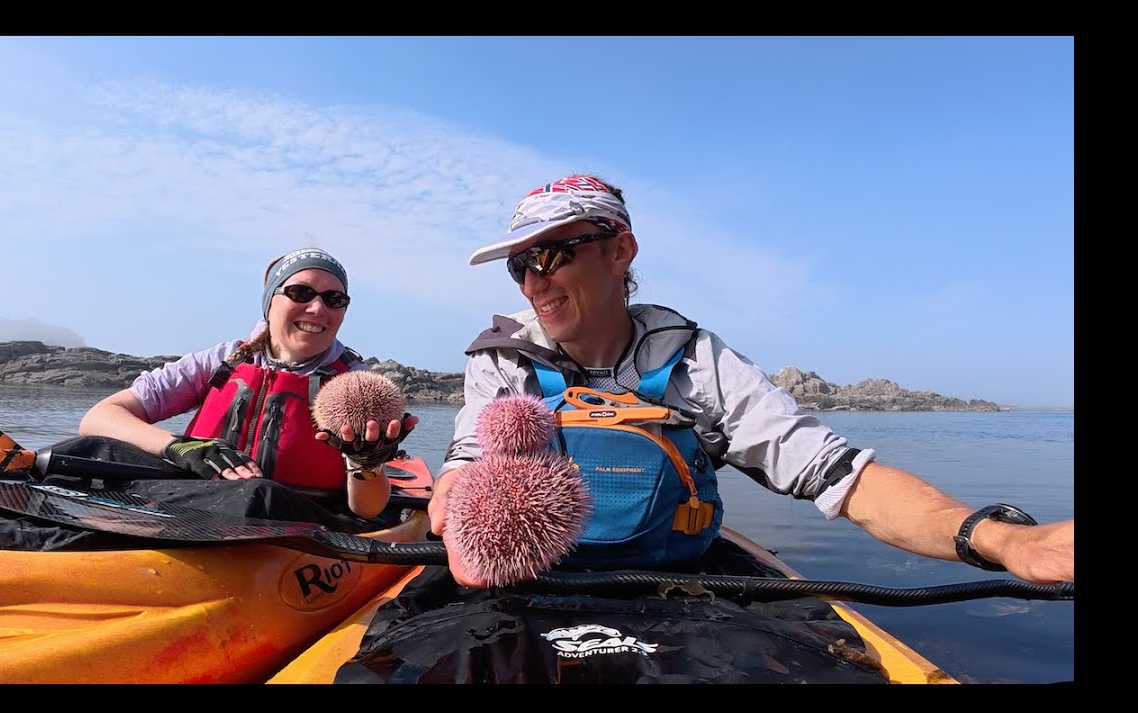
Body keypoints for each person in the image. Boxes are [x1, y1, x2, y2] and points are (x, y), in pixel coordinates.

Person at [427, 174, 1074, 587]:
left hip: (674, 588)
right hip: (529, 582)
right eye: (519, 266)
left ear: (619, 251)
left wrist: (998, 537)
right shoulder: (503, 358)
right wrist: (451, 505)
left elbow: (841, 477)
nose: (534, 282)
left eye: (550, 254)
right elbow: (464, 466)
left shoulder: (697, 364)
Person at [79, 246, 416, 520]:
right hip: (200, 513)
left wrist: (367, 464)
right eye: (301, 293)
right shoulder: (223, 361)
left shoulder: (358, 387)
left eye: (334, 299)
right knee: (83, 453)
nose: (317, 308)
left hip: (304, 528)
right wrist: (177, 446)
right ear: (270, 303)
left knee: (259, 494)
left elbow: (368, 510)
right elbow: (98, 418)